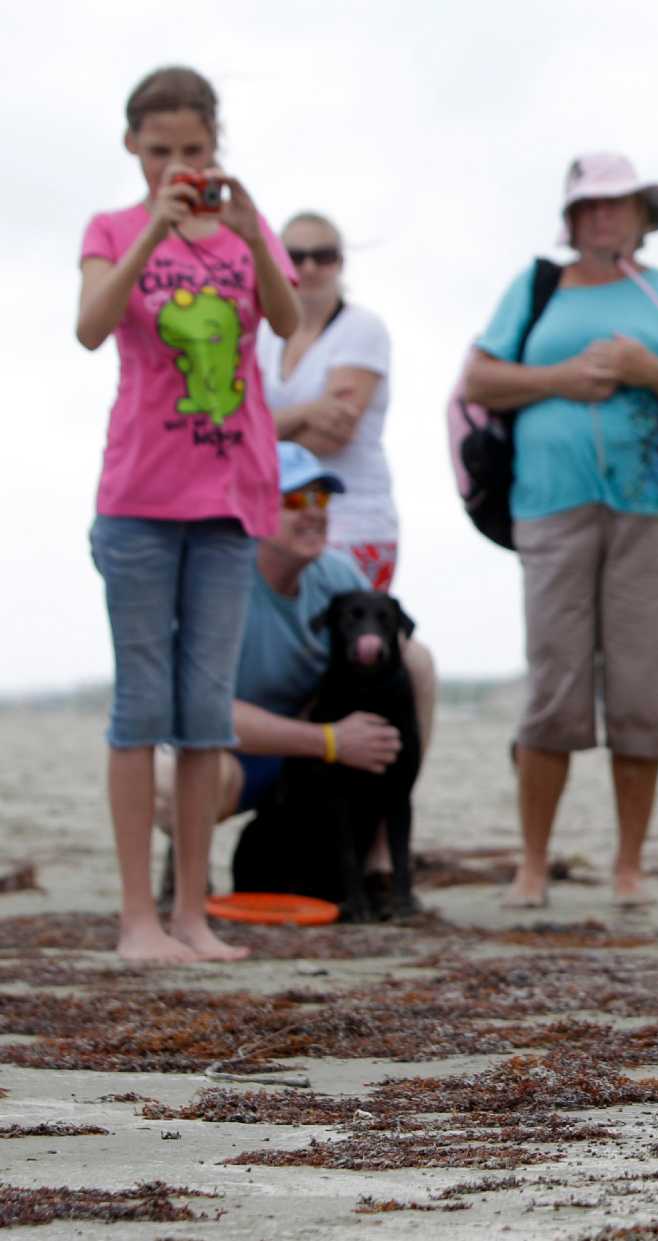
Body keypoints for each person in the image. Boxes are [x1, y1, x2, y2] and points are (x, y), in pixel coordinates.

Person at [462, 152, 658, 910]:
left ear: (644, 213)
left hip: (653, 513)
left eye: (617, 203)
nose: (603, 216)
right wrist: (560, 379)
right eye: (588, 205)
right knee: (553, 685)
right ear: (570, 217)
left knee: (643, 689)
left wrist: (652, 371)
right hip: (551, 508)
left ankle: (629, 866)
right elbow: (479, 379)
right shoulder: (536, 288)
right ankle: (532, 865)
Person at [76, 65, 301, 963]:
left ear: (217, 145)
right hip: (137, 498)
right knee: (141, 706)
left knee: (207, 714)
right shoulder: (112, 228)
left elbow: (286, 320)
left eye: (195, 150)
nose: (178, 165)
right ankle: (138, 920)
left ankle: (193, 917)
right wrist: (153, 232)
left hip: (233, 496)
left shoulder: (248, 225)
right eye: (160, 150)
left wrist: (249, 233)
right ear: (132, 145)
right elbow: (91, 325)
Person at [171, 444, 438, 911]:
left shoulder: (338, 576)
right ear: (253, 508)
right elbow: (204, 709)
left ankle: (378, 859)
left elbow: (386, 657)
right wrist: (329, 740)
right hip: (234, 754)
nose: (314, 513)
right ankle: (185, 869)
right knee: (165, 776)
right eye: (295, 500)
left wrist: (347, 738)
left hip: (312, 758)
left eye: (321, 499)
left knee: (415, 659)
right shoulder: (218, 585)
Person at [258, 212, 398, 589]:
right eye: (296, 256)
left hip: (354, 521)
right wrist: (308, 411)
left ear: (340, 262)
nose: (309, 267)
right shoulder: (263, 336)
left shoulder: (361, 328)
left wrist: (260, 434)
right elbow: (235, 426)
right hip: (276, 530)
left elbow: (333, 435)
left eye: (323, 256)